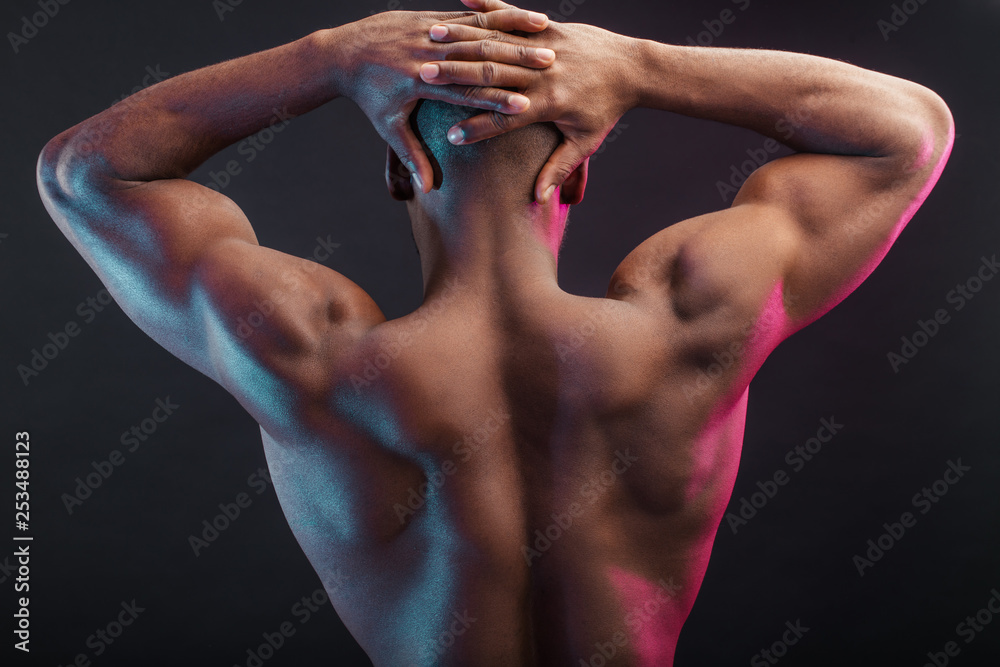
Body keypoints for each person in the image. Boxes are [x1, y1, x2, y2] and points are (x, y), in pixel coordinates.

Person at [36, 0, 953, 664]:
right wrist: (638, 66)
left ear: (402, 174)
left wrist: (331, 56)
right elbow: (909, 132)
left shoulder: (313, 352)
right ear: (578, 176)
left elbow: (85, 174)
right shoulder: (689, 320)